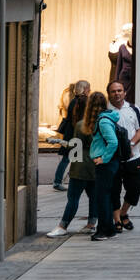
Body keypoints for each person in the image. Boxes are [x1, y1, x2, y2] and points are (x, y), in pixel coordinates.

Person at [47, 95, 97, 237]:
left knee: (73, 197)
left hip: (81, 166)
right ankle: (91, 224)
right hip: (96, 165)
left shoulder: (81, 125)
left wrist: (60, 142)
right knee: (93, 196)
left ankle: (63, 226)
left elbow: (75, 147)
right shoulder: (101, 123)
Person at [108, 80, 140, 230]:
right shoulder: (106, 111)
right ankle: (117, 220)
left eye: (119, 90)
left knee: (137, 185)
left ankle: (124, 213)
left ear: (124, 92)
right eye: (113, 91)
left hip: (132, 156)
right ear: (109, 94)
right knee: (114, 189)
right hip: (113, 158)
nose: (117, 93)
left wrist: (130, 144)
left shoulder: (133, 108)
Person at [86, 91, 120, 240]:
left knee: (102, 197)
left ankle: (104, 230)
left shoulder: (103, 121)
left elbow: (113, 142)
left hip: (106, 164)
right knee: (105, 196)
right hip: (108, 164)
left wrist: (103, 159)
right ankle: (109, 229)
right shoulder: (105, 119)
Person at [53, 80, 91, 191]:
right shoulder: (82, 101)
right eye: (88, 88)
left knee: (70, 158)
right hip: (76, 134)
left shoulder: (74, 100)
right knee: (71, 158)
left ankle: (61, 181)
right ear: (84, 89)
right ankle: (59, 181)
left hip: (71, 133)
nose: (90, 90)